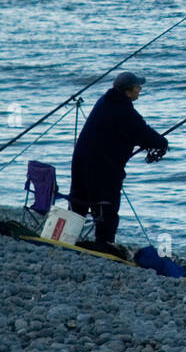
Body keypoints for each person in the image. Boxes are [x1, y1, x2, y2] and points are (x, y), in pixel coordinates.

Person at [69, 71, 168, 256]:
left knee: (79, 201)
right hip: (101, 166)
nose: (140, 90)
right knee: (107, 204)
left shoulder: (105, 101)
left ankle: (67, 236)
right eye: (137, 87)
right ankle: (104, 243)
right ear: (127, 91)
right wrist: (163, 143)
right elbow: (143, 133)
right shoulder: (123, 111)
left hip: (81, 159)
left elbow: (136, 132)